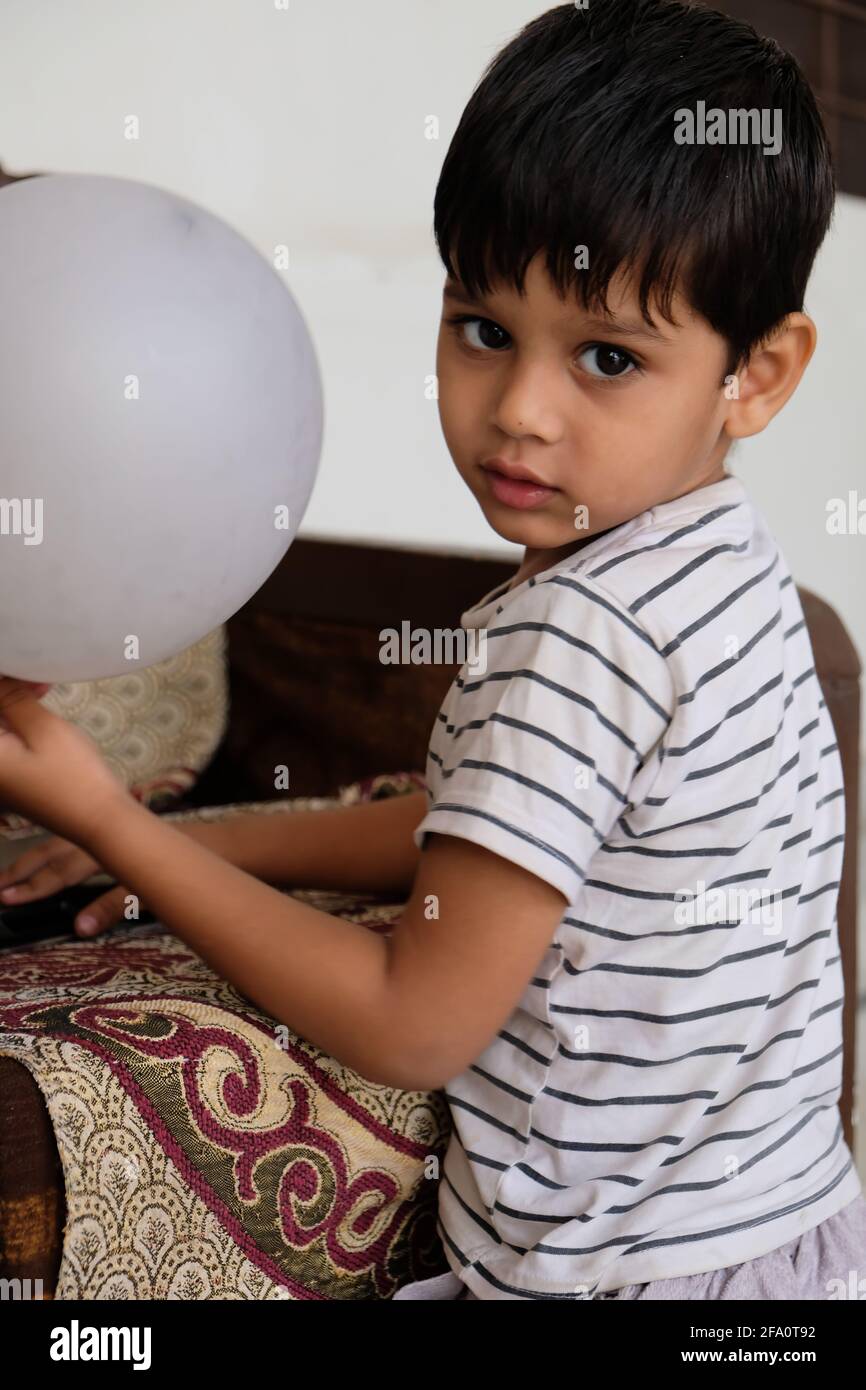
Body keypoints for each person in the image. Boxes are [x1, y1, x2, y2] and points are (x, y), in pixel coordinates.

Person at [0, 0, 864, 1301]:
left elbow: (411, 1020)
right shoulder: (719, 561)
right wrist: (194, 834)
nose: (517, 411)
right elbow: (488, 830)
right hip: (782, 1237)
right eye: (482, 327)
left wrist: (109, 826)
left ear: (757, 373)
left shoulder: (584, 639)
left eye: (608, 357)